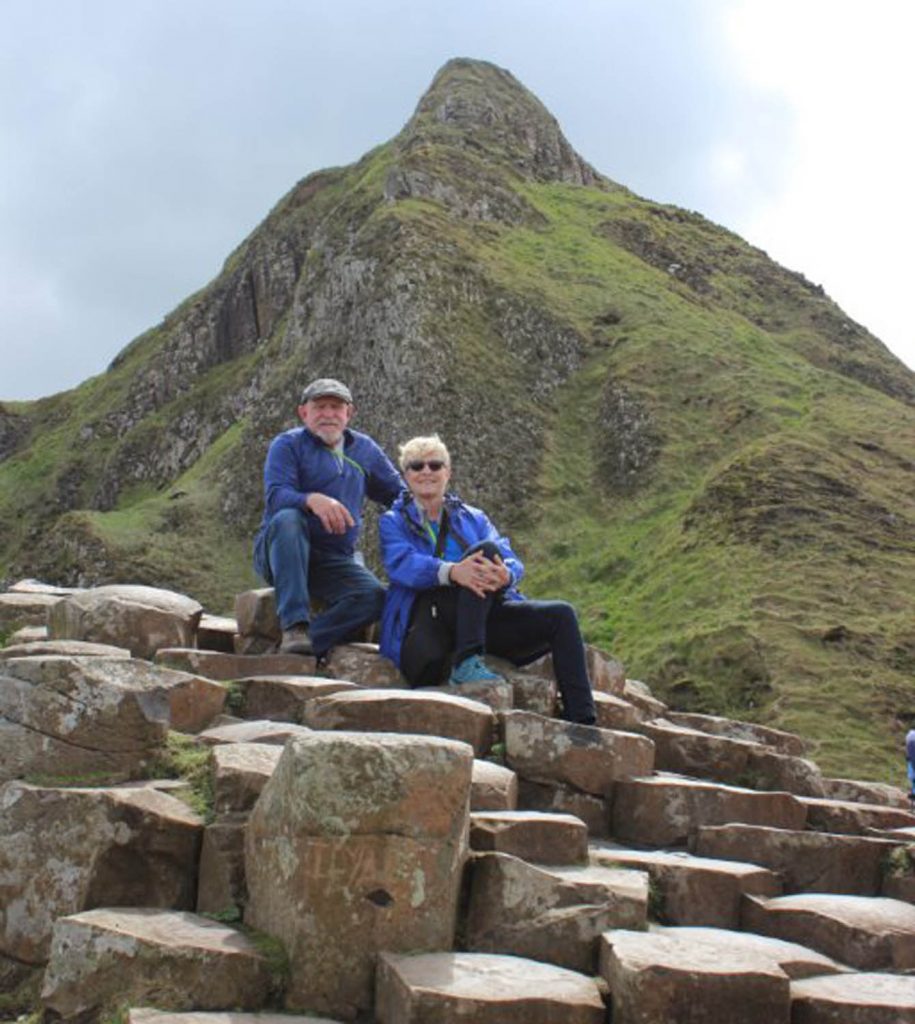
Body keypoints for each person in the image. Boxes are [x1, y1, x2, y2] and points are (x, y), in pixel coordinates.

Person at [379, 434, 596, 724]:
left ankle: (582, 718)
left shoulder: (474, 518)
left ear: (448, 472)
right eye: (417, 466)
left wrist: (506, 575)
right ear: (406, 476)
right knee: (484, 552)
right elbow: (401, 563)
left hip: (485, 615)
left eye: (435, 464)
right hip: (434, 616)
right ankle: (466, 662)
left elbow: (509, 556)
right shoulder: (393, 522)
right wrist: (453, 572)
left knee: (562, 614)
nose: (426, 472)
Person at [253, 378, 402, 657]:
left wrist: (433, 504)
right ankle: (294, 626)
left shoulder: (365, 450)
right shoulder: (287, 445)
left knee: (375, 596)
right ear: (304, 413)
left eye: (336, 406)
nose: (328, 414)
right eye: (319, 406)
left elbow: (397, 494)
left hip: (333, 559)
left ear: (349, 413)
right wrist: (312, 500)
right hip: (282, 552)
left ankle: (307, 642)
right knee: (288, 518)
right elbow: (276, 496)